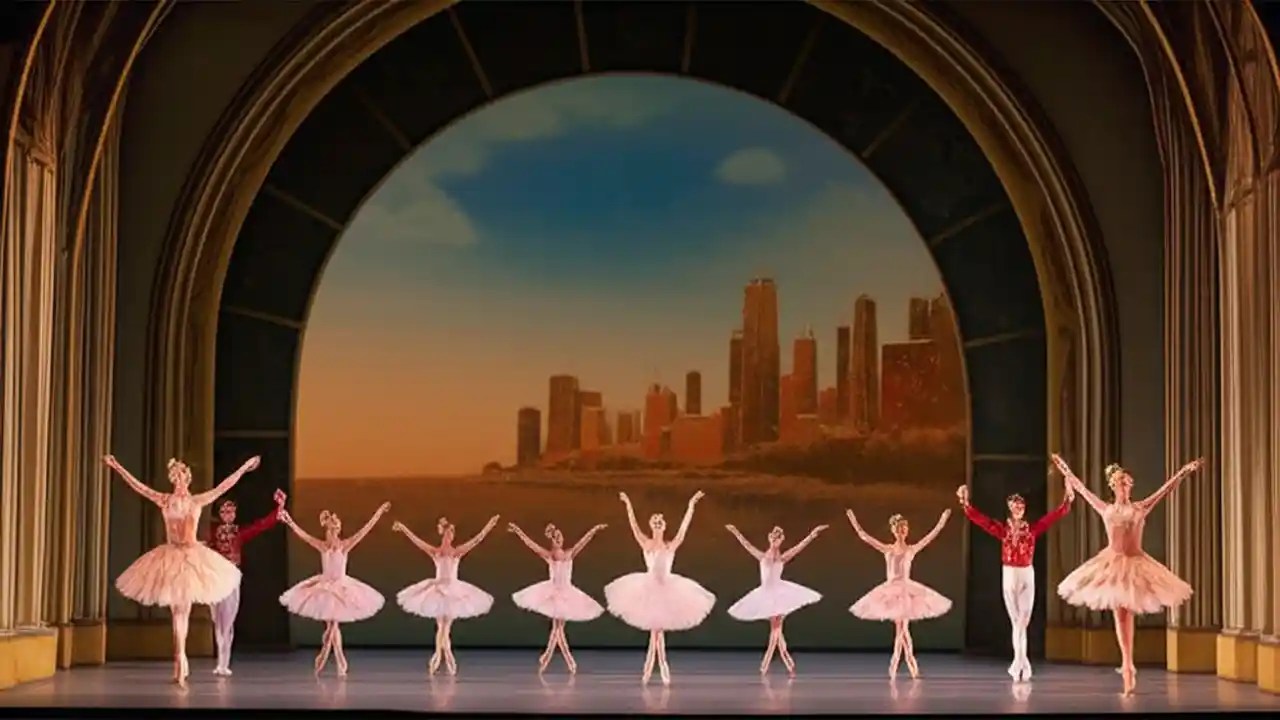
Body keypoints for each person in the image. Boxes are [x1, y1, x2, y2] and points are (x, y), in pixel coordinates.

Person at [1051, 453, 1202, 695]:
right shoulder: (1106, 509)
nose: (1124, 484)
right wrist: (1065, 469)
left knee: (1126, 612)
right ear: (1113, 485)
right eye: (1120, 481)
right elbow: (1082, 489)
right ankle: (1127, 664)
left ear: (1130, 485)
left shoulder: (1140, 508)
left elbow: (1165, 490)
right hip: (1112, 564)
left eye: (1127, 481)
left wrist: (1184, 471)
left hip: (1136, 563)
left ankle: (1128, 663)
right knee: (1120, 614)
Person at [105, 454, 261, 687]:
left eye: (181, 476)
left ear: (187, 479)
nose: (178, 480)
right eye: (175, 477)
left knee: (183, 610)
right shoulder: (164, 500)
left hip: (192, 558)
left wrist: (244, 467)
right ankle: (179, 653)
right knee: (177, 611)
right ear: (172, 479)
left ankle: (181, 655)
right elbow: (139, 487)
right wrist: (117, 466)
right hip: (170, 557)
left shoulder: (196, 501)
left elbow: (222, 487)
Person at [955, 470, 1074, 682]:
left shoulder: (1032, 529)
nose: (1019, 509)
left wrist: (1067, 498)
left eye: (1021, 506)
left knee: (1022, 621)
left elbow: (1052, 517)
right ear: (1010, 509)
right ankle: (1022, 664)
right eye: (1015, 506)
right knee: (1016, 622)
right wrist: (965, 504)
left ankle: (1018, 664)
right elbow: (981, 521)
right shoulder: (1003, 530)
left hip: (1027, 573)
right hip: (1009, 573)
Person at [604, 491, 716, 685]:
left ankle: (653, 668)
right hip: (648, 588)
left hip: (667, 588)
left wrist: (691, 504)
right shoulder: (645, 542)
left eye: (660, 522)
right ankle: (659, 667)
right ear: (651, 525)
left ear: (664, 526)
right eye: (655, 522)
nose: (658, 524)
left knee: (657, 631)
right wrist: (628, 503)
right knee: (656, 631)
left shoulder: (670, 545)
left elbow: (684, 528)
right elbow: (633, 525)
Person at [278, 502, 390, 677]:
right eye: (330, 528)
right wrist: (290, 521)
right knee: (332, 624)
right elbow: (304, 536)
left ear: (337, 530)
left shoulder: (345, 545)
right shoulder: (322, 545)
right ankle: (338, 659)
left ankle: (326, 654)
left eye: (334, 528)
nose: (332, 531)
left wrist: (379, 512)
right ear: (328, 530)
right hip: (325, 587)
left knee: (333, 624)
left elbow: (364, 530)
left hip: (341, 587)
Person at [846, 508, 952, 680]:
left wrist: (942, 519)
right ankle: (906, 664)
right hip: (891, 591)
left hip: (906, 591)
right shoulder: (887, 549)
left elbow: (931, 535)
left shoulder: (911, 549)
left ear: (907, 530)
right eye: (898, 528)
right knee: (901, 629)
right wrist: (853, 519)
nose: (901, 531)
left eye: (904, 528)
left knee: (902, 629)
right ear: (893, 530)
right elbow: (864, 536)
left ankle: (898, 664)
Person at [394, 515, 501, 675]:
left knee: (445, 627)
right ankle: (444, 656)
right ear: (443, 534)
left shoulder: (457, 552)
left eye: (452, 533)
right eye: (449, 532)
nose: (451, 535)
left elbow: (477, 539)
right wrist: (403, 528)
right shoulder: (435, 551)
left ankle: (441, 656)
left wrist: (489, 525)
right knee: (441, 627)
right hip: (437, 590)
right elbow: (417, 542)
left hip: (453, 591)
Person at [724, 524, 827, 675]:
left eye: (777, 538)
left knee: (776, 630)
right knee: (777, 632)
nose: (774, 540)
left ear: (781, 540)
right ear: (769, 538)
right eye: (773, 537)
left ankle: (766, 664)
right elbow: (746, 544)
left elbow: (799, 547)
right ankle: (788, 662)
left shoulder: (782, 557)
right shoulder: (762, 556)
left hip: (779, 595)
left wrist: (812, 535)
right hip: (766, 595)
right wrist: (736, 531)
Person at [205, 488, 288, 676]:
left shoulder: (238, 533)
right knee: (217, 620)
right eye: (225, 511)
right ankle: (220, 661)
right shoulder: (212, 532)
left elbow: (260, 526)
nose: (229, 515)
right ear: (218, 514)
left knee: (228, 621)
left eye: (231, 511)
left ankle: (224, 663)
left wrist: (278, 509)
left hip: (232, 577)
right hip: (216, 577)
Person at [508, 521, 609, 673]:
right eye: (555, 537)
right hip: (553, 592)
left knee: (558, 628)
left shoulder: (569, 553)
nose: (559, 539)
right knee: (558, 628)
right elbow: (531, 545)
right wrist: (518, 531)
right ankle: (564, 661)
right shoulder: (549, 555)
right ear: (552, 540)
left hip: (567, 592)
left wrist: (594, 529)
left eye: (560, 536)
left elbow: (584, 541)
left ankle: (549, 657)